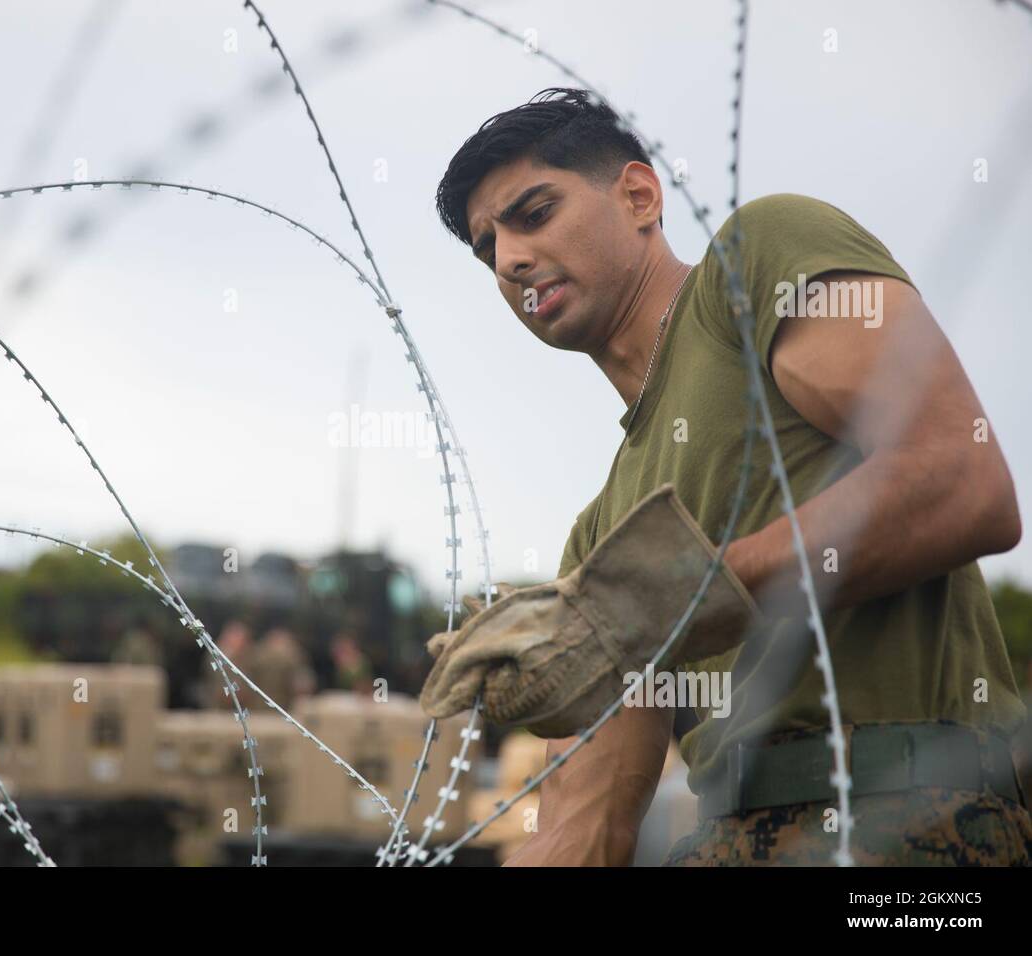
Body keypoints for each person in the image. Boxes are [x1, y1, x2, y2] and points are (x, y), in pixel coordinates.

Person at [432, 88, 1028, 865]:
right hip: (730, 839)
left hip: (906, 818)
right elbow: (583, 828)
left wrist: (662, 603)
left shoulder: (754, 265)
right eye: (488, 249)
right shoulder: (603, 538)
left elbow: (962, 481)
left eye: (535, 214)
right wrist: (609, 621)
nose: (511, 259)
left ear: (639, 197)